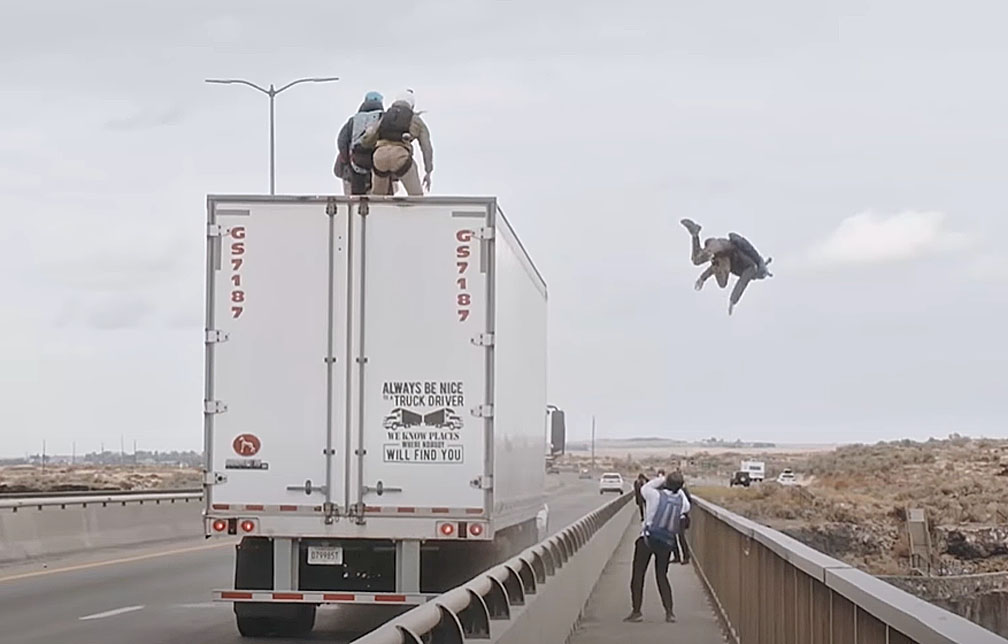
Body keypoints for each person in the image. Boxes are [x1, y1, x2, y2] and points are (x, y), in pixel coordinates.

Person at [624, 471, 690, 624]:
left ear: (666, 483)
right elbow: (686, 507)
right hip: (666, 542)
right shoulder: (681, 500)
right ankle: (669, 612)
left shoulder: (654, 496)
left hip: (647, 539)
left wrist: (663, 479)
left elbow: (645, 488)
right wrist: (677, 487)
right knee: (662, 576)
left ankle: (637, 611)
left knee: (638, 575)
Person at [680, 218, 773, 315]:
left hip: (720, 250)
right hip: (723, 247)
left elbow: (717, 267)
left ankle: (695, 235)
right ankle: (695, 233)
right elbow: (742, 283)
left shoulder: (739, 265)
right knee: (699, 260)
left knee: (702, 265)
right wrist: (733, 301)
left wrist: (702, 278)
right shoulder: (751, 268)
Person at [361, 88, 434, 196]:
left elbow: (366, 141)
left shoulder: (384, 117)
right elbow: (426, 147)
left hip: (379, 157)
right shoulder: (416, 120)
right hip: (400, 157)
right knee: (416, 197)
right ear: (412, 105)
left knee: (377, 199)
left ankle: (376, 212)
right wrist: (428, 171)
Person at [335, 91, 385, 196]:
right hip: (377, 166)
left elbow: (342, 140)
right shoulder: (383, 119)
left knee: (355, 201)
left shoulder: (353, 120)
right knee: (377, 201)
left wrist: (346, 159)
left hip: (354, 165)